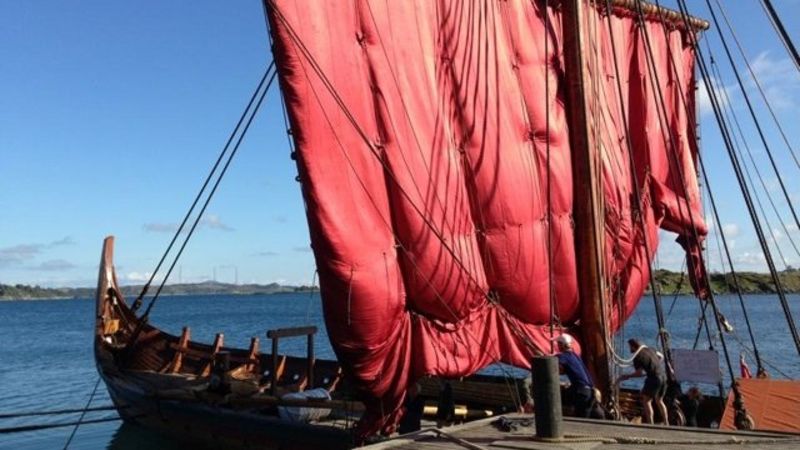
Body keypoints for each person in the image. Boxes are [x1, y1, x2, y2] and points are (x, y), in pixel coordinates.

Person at [618, 338, 668, 425]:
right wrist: (654, 366)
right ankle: (666, 423)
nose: (629, 349)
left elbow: (639, 373)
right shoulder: (650, 349)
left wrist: (627, 376)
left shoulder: (638, 357)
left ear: (633, 346)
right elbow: (661, 356)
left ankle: (650, 424)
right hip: (663, 376)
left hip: (654, 378)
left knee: (646, 401)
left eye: (629, 347)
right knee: (660, 400)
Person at [554, 333, 595, 418]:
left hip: (581, 392)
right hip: (590, 392)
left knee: (555, 400)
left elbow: (551, 361)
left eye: (558, 344)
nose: (557, 346)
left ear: (562, 345)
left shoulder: (564, 356)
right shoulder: (576, 356)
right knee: (586, 419)